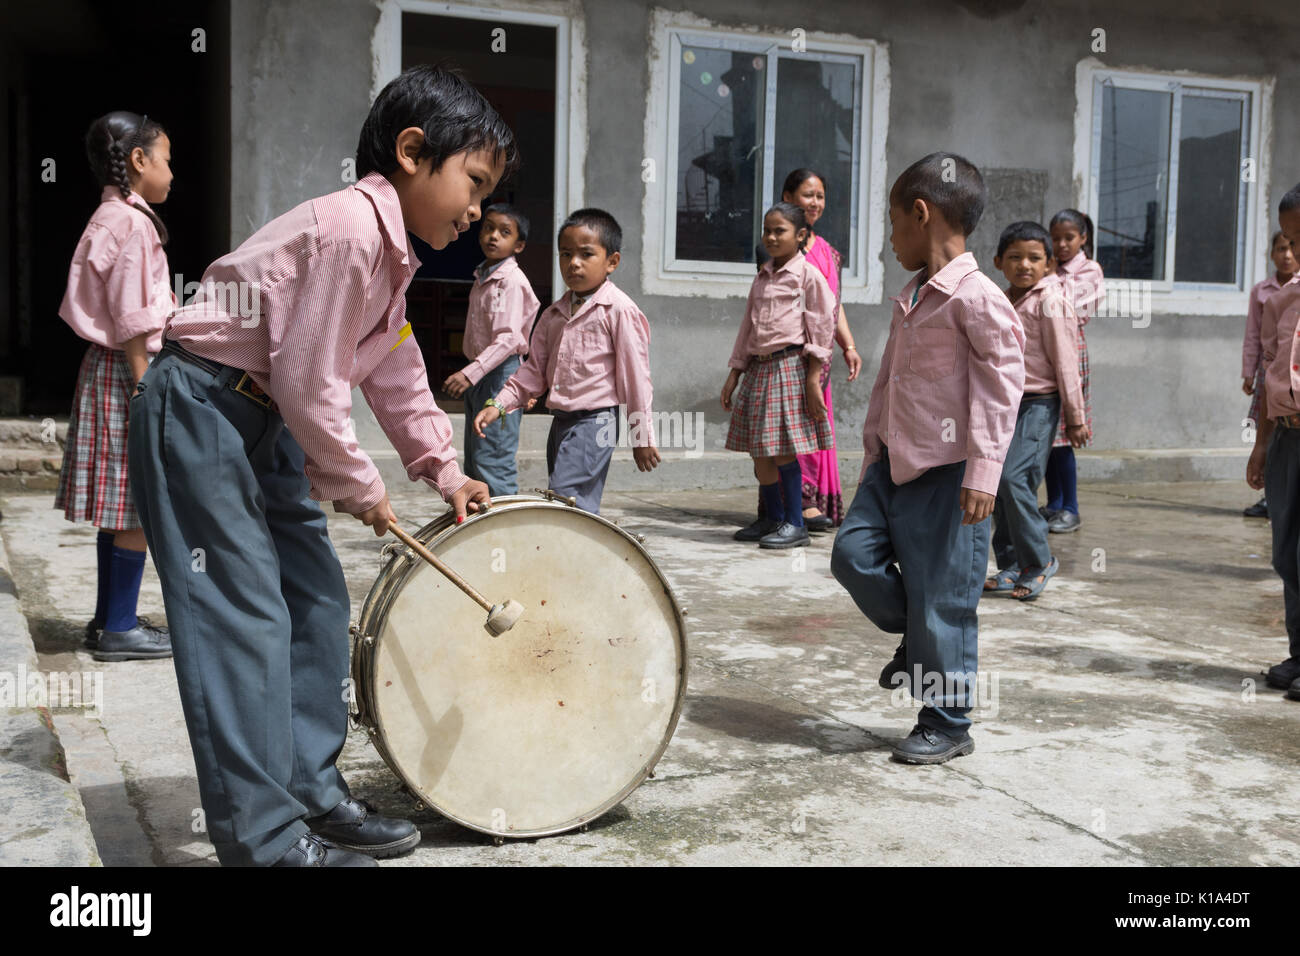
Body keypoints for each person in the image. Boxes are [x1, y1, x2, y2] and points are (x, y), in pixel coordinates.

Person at [127, 65, 510, 866]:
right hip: (203, 408)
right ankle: (264, 841)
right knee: (244, 618)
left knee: (313, 599)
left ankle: (309, 790)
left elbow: (394, 368)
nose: (477, 211)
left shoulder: (391, 258)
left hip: (267, 425)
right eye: (472, 184)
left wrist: (444, 469)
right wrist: (359, 484)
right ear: (413, 152)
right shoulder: (346, 232)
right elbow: (310, 377)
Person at [830, 152, 1025, 764]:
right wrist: (871, 455)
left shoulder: (978, 298)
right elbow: (889, 383)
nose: (890, 241)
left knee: (945, 599)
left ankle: (948, 721)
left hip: (951, 478)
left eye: (893, 225)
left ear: (921, 213)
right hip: (893, 468)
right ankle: (917, 639)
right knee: (851, 558)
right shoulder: (913, 297)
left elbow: (1002, 388)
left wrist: (985, 473)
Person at [56, 111, 174, 663]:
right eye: (167, 160)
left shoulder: (110, 216)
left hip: (106, 368)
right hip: (128, 369)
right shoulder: (131, 223)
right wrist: (144, 386)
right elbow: (132, 315)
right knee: (137, 501)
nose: (172, 173)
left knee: (120, 503)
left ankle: (109, 621)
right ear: (138, 160)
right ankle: (121, 628)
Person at [474, 208, 660, 512]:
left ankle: (571, 556)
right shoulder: (553, 315)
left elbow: (635, 379)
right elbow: (533, 372)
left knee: (564, 498)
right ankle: (582, 557)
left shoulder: (619, 311)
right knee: (576, 504)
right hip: (561, 422)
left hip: (595, 421)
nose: (573, 263)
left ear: (612, 261)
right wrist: (499, 404)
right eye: (565, 254)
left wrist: (641, 435)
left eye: (586, 254)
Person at [984, 222, 1088, 601]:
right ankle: (1011, 565)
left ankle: (1039, 560)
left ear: (1048, 265)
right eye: (1014, 257)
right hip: (1004, 405)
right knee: (996, 483)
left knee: (1015, 480)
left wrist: (1075, 417)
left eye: (1034, 258)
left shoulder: (1051, 301)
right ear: (998, 262)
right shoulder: (1005, 299)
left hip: (1039, 404)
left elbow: (1065, 363)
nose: (1024, 265)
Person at [724, 202, 836, 549]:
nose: (771, 237)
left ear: (800, 235)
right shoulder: (762, 276)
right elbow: (748, 327)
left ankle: (796, 523)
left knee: (784, 450)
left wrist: (813, 378)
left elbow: (820, 326)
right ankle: (771, 517)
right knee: (761, 451)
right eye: (767, 230)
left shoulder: (807, 277)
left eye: (780, 231)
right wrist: (734, 373)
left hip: (789, 367)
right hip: (759, 369)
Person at [755, 169, 862, 529]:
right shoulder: (774, 248)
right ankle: (790, 508)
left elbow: (834, 304)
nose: (814, 202)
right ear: (788, 197)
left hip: (819, 354)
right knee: (784, 434)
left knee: (810, 428)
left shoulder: (829, 253)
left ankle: (808, 503)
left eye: (820, 195)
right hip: (788, 355)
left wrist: (847, 344)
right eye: (806, 195)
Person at [441, 203, 540, 496]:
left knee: (492, 460)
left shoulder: (511, 281)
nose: (493, 236)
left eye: (504, 232)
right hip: (481, 374)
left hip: (500, 376)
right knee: (474, 460)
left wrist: (470, 374)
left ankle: (506, 531)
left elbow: (508, 340)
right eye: (488, 228)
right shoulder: (483, 277)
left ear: (518, 245)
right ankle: (482, 529)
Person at [1247, 184, 1300, 703]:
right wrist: (1261, 444)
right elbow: (1269, 377)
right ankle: (1299, 651)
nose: (1296, 252)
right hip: (1286, 436)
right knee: (1287, 552)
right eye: (1291, 241)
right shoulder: (1281, 300)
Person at [1043, 209, 1104, 533]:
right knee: (1049, 436)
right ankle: (1053, 504)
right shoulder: (1051, 267)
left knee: (1065, 435)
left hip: (1070, 351)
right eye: (1056, 238)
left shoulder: (1090, 270)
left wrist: (1051, 277)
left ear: (1083, 238)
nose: (1062, 244)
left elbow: (1071, 309)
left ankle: (1071, 507)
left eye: (1069, 238)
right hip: (1045, 351)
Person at [1241, 230, 1297, 518]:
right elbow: (1253, 335)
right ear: (1272, 253)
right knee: (1268, 432)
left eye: (1291, 247)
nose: (1287, 255)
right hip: (1270, 374)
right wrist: (1249, 371)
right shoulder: (1262, 291)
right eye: (1281, 248)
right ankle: (1268, 493)